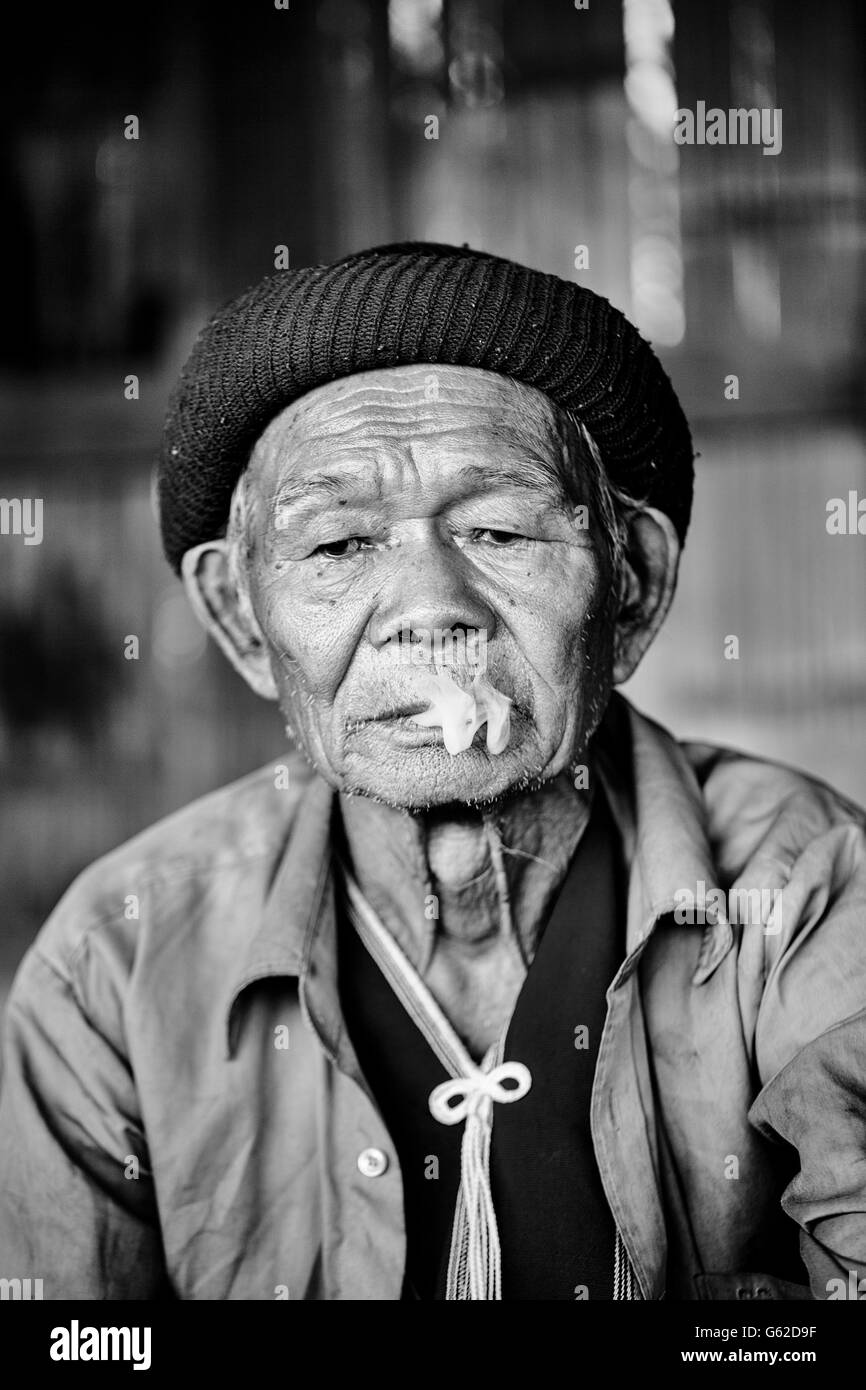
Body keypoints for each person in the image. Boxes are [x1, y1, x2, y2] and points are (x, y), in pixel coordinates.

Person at [1, 242, 864, 1301]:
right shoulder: (115, 964)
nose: (427, 608)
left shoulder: (809, 885)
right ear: (239, 616)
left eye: (496, 528)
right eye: (337, 547)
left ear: (627, 587)